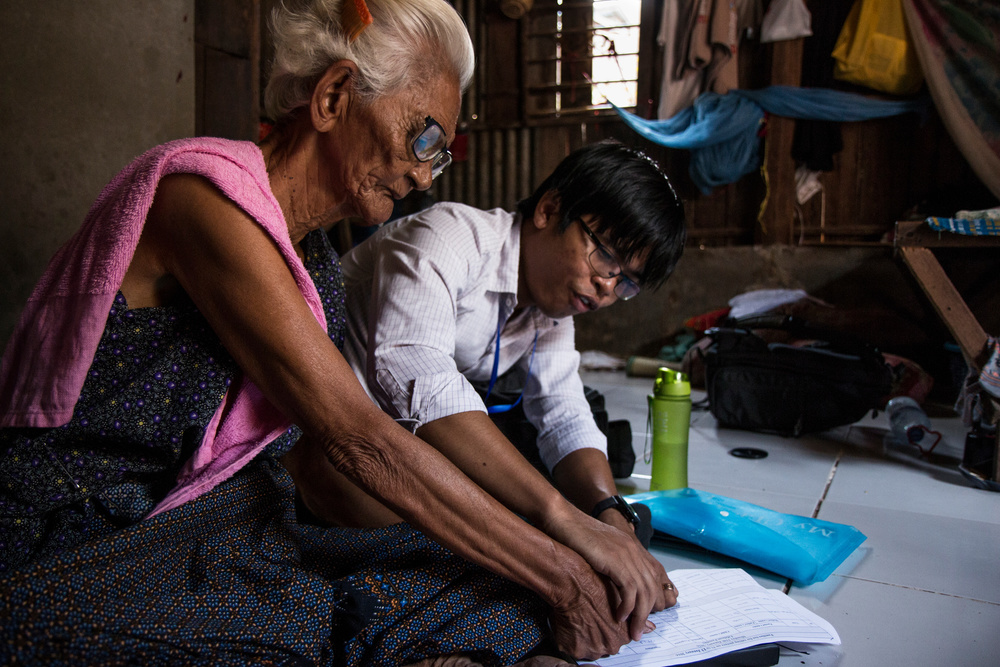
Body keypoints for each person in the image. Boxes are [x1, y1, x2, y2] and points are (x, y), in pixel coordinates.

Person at [0, 1, 674, 665]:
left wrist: (553, 543)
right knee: (368, 612)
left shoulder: (315, 264)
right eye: (423, 140)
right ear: (333, 97)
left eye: (438, 156)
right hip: (85, 522)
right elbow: (358, 438)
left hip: (213, 515)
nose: (423, 176)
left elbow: (318, 457)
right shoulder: (202, 199)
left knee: (498, 592)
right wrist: (560, 566)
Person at [301, 141, 685, 567]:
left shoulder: (550, 312)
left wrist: (609, 514)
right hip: (314, 443)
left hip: (388, 449)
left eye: (626, 282)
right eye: (606, 257)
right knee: (507, 547)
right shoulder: (449, 237)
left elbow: (564, 414)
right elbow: (421, 378)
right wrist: (560, 516)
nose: (608, 287)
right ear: (549, 210)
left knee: (544, 532)